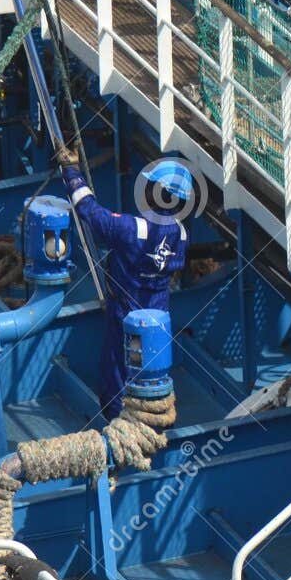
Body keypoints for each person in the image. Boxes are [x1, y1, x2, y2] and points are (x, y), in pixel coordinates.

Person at [61, 156, 192, 417]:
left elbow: (90, 211)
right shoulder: (182, 235)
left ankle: (116, 423)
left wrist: (72, 173)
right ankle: (154, 418)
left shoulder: (131, 228)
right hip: (158, 316)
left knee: (116, 372)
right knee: (151, 373)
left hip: (124, 315)